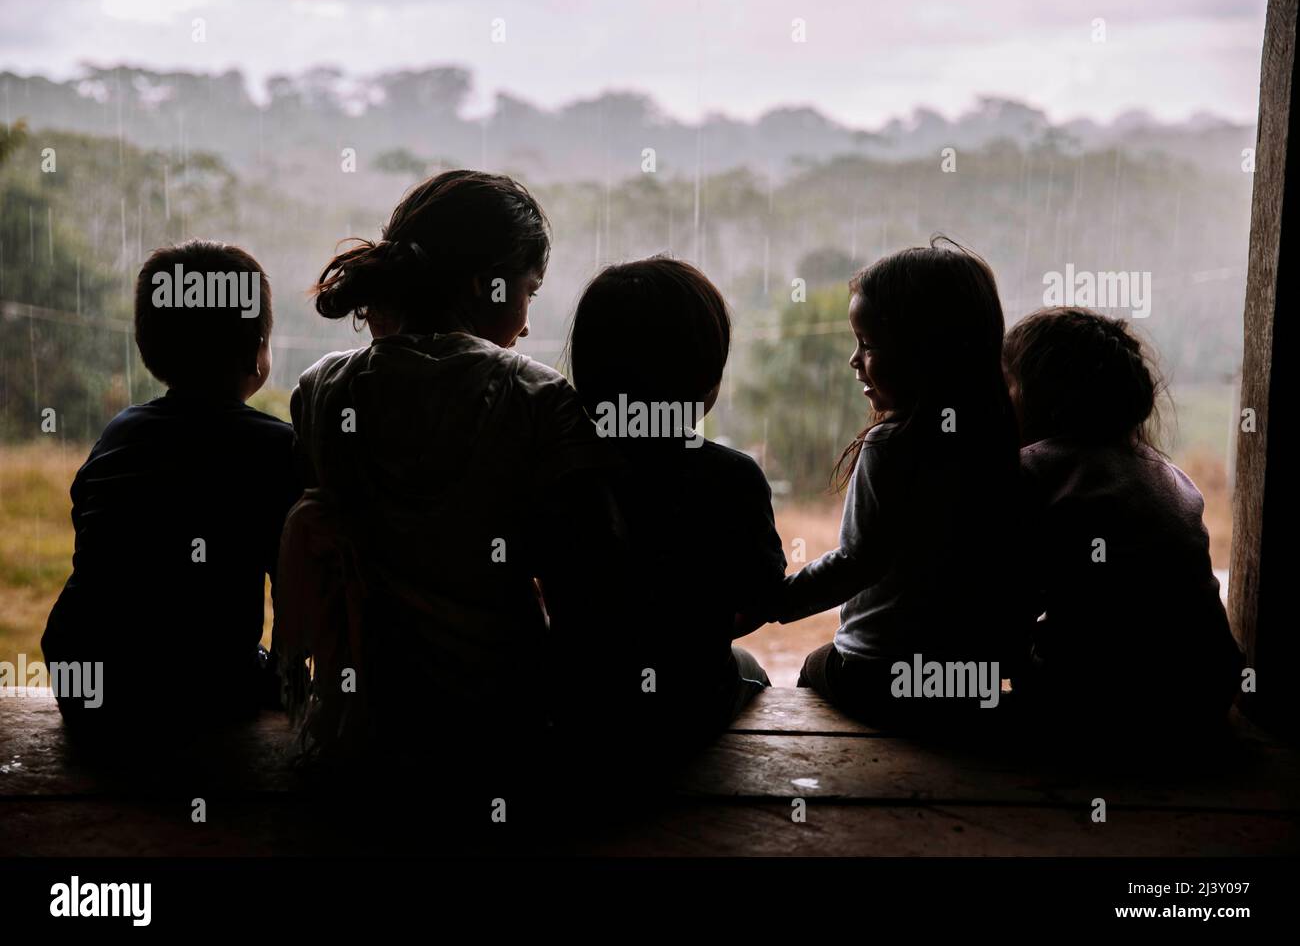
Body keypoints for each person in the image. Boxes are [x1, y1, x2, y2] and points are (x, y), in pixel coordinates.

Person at [279, 170, 626, 764]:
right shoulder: (537, 397)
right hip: (496, 732)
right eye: (528, 293)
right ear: (484, 286)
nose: (526, 323)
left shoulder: (320, 388)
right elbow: (585, 591)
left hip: (354, 737)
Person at [757, 237, 1025, 730]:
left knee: (816, 668)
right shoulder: (1005, 445)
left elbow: (858, 561)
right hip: (974, 682)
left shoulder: (893, 446)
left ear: (927, 353)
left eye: (870, 345)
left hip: (884, 677)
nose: (855, 360)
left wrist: (776, 604)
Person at [42, 240, 298, 737]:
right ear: (258, 354)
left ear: (148, 349)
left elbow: (86, 523)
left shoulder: (122, 429)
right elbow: (295, 579)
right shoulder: (275, 448)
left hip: (82, 680)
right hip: (202, 686)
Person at [565, 257, 785, 749]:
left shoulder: (562, 471)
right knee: (752, 675)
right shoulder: (733, 477)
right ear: (706, 378)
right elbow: (762, 598)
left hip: (583, 704)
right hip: (689, 704)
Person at [1002, 307, 1243, 741]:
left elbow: (1005, 607)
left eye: (1005, 384)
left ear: (1040, 396)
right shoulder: (1170, 476)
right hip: (1207, 695)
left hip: (1104, 704)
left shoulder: (1035, 471)